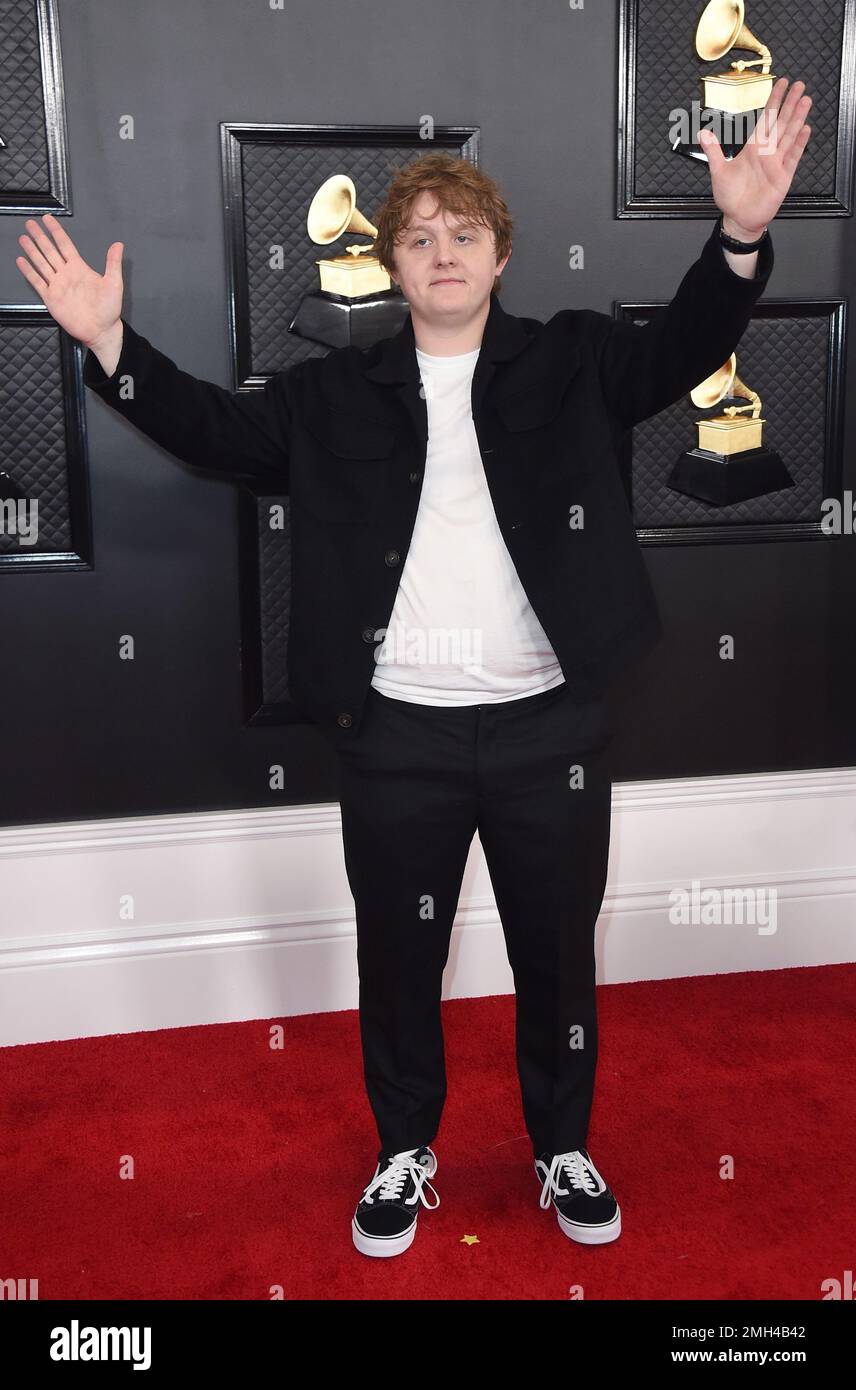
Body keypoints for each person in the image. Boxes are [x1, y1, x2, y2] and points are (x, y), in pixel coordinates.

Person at [15, 77, 811, 1260]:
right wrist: (111, 344)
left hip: (551, 729)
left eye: (465, 235)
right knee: (399, 958)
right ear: (392, 261)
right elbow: (213, 435)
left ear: (499, 256)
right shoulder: (331, 393)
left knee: (557, 952)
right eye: (419, 237)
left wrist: (740, 234)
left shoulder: (577, 363)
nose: (443, 252)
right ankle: (404, 1149)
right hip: (397, 737)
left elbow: (688, 345)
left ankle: (562, 1146)